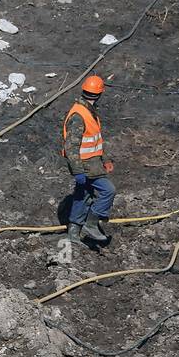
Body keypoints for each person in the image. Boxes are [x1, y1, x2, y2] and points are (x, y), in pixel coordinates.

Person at [61, 75, 116, 244]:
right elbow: (71, 148)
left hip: (92, 163)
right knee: (108, 191)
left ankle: (73, 233)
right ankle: (91, 223)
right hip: (86, 166)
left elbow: (96, 139)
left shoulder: (88, 112)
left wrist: (104, 159)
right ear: (100, 93)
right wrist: (78, 171)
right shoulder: (79, 116)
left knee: (82, 195)